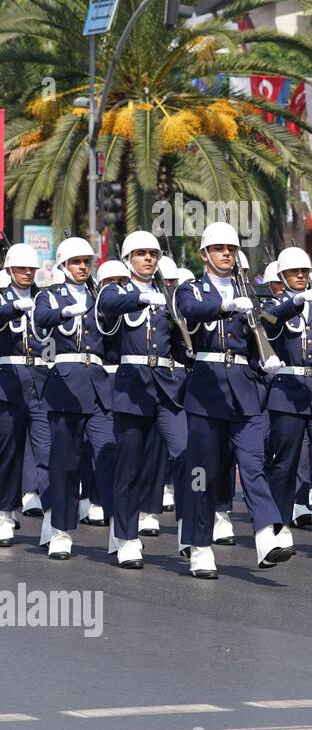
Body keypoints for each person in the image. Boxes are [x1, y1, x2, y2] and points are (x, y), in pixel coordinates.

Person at [174, 221, 293, 578]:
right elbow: (190, 312)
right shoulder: (192, 289)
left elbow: (266, 324)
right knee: (203, 474)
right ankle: (199, 545)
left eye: (232, 248)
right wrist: (227, 306)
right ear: (205, 255)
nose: (227, 253)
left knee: (253, 463)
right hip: (207, 391)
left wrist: (292, 306)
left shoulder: (249, 291)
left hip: (243, 387)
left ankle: (264, 534)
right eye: (220, 248)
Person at [96, 231, 188, 569]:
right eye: (141, 253)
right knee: (129, 468)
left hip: (167, 386)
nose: (149, 258)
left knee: (187, 455)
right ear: (128, 258)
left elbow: (180, 343)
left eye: (153, 253)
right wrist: (142, 299)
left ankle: (191, 532)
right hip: (132, 389)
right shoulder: (116, 291)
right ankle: (127, 538)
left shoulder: (169, 294)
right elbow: (107, 306)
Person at [33, 237, 117, 559]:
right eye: (77, 262)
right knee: (65, 465)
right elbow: (42, 319)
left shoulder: (99, 298)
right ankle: (61, 531)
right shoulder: (49, 296)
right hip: (65, 388)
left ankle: (122, 532)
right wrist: (65, 311)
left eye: (87, 262)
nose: (83, 267)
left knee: (109, 457)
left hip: (98, 389)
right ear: (64, 265)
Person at [261, 248, 312, 541]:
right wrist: (293, 304)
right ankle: (279, 523)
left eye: (304, 272)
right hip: (288, 391)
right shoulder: (274, 305)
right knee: (285, 461)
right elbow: (269, 322)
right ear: (282, 276)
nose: (300, 276)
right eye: (294, 272)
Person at [0, 243, 50, 547]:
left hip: (41, 382)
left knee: (48, 453)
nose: (27, 273)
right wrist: (12, 308)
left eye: (31, 269)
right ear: (9, 270)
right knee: (8, 452)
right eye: (21, 268)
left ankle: (53, 517)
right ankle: (5, 511)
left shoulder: (42, 298)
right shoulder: (3, 297)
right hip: (9, 382)